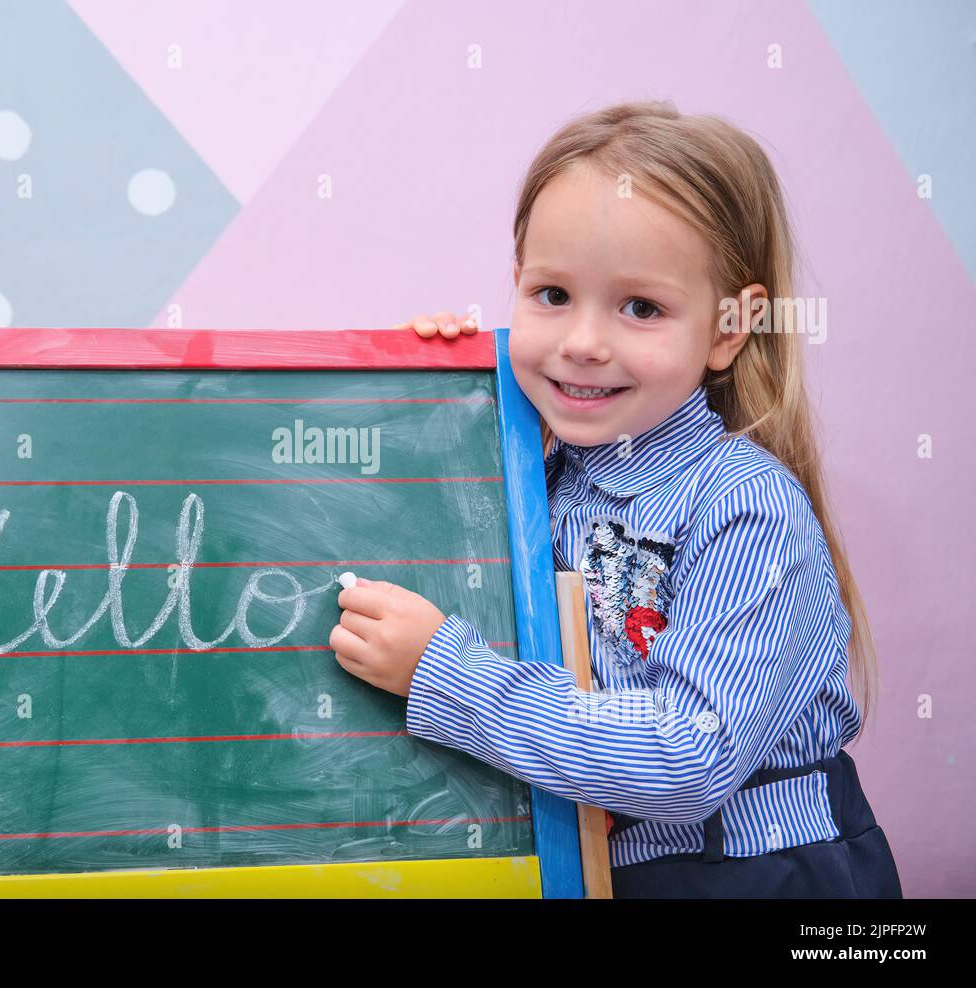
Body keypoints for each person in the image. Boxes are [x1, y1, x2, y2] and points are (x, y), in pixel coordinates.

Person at [330, 100, 902, 898]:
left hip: (748, 876)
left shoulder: (744, 507)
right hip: (586, 869)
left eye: (641, 308)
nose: (583, 342)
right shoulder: (538, 473)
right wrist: (439, 405)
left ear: (727, 332)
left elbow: (687, 758)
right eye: (552, 295)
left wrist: (447, 675)